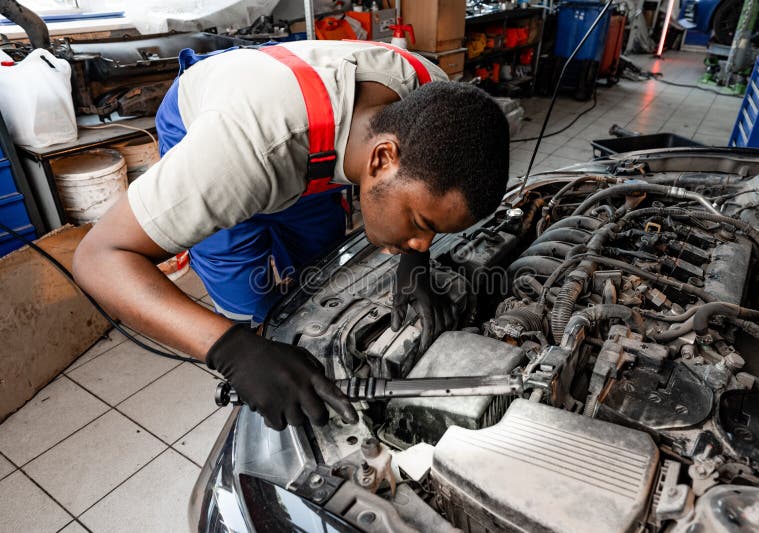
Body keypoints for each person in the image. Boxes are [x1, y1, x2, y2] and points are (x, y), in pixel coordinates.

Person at [73, 40, 510, 430]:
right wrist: (234, 350)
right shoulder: (234, 153)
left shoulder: (433, 102)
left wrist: (414, 266)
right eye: (422, 225)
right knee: (251, 306)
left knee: (314, 280)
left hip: (306, 131)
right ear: (380, 160)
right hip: (223, 117)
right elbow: (99, 256)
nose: (421, 244)